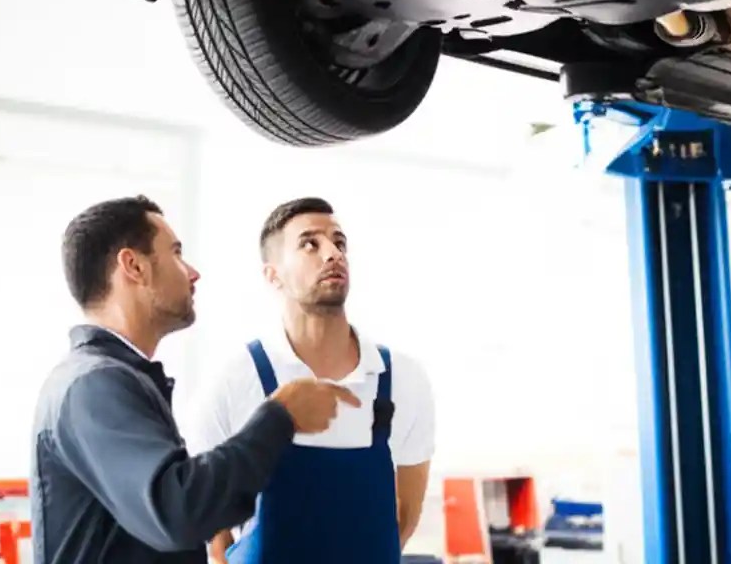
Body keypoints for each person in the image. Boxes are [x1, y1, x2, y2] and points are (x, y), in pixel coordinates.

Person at [30, 195, 359, 564]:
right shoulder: (92, 386)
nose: (192, 272)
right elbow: (178, 511)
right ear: (134, 266)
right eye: (175, 253)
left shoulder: (116, 379)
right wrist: (280, 416)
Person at [189, 197, 436, 564]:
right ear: (273, 275)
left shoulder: (403, 378)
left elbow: (405, 515)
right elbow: (214, 537)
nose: (333, 254)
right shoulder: (233, 380)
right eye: (310, 244)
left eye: (339, 243)